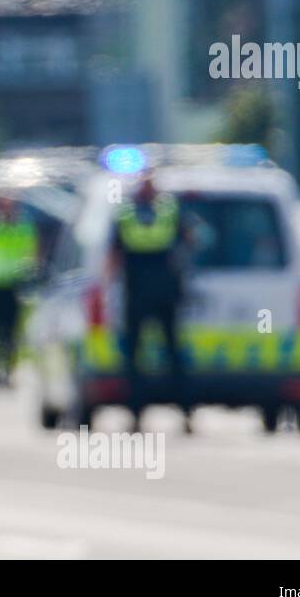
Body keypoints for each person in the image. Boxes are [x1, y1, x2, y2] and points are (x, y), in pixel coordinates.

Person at [110, 171, 191, 432]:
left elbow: (113, 257)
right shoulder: (168, 211)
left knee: (137, 358)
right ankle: (185, 414)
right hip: (164, 291)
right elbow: (190, 241)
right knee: (172, 353)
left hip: (138, 292)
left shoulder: (126, 214)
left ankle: (137, 416)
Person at [0, 198, 38, 388]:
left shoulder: (23, 229)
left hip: (15, 286)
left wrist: (27, 279)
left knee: (12, 332)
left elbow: (30, 254)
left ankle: (9, 371)